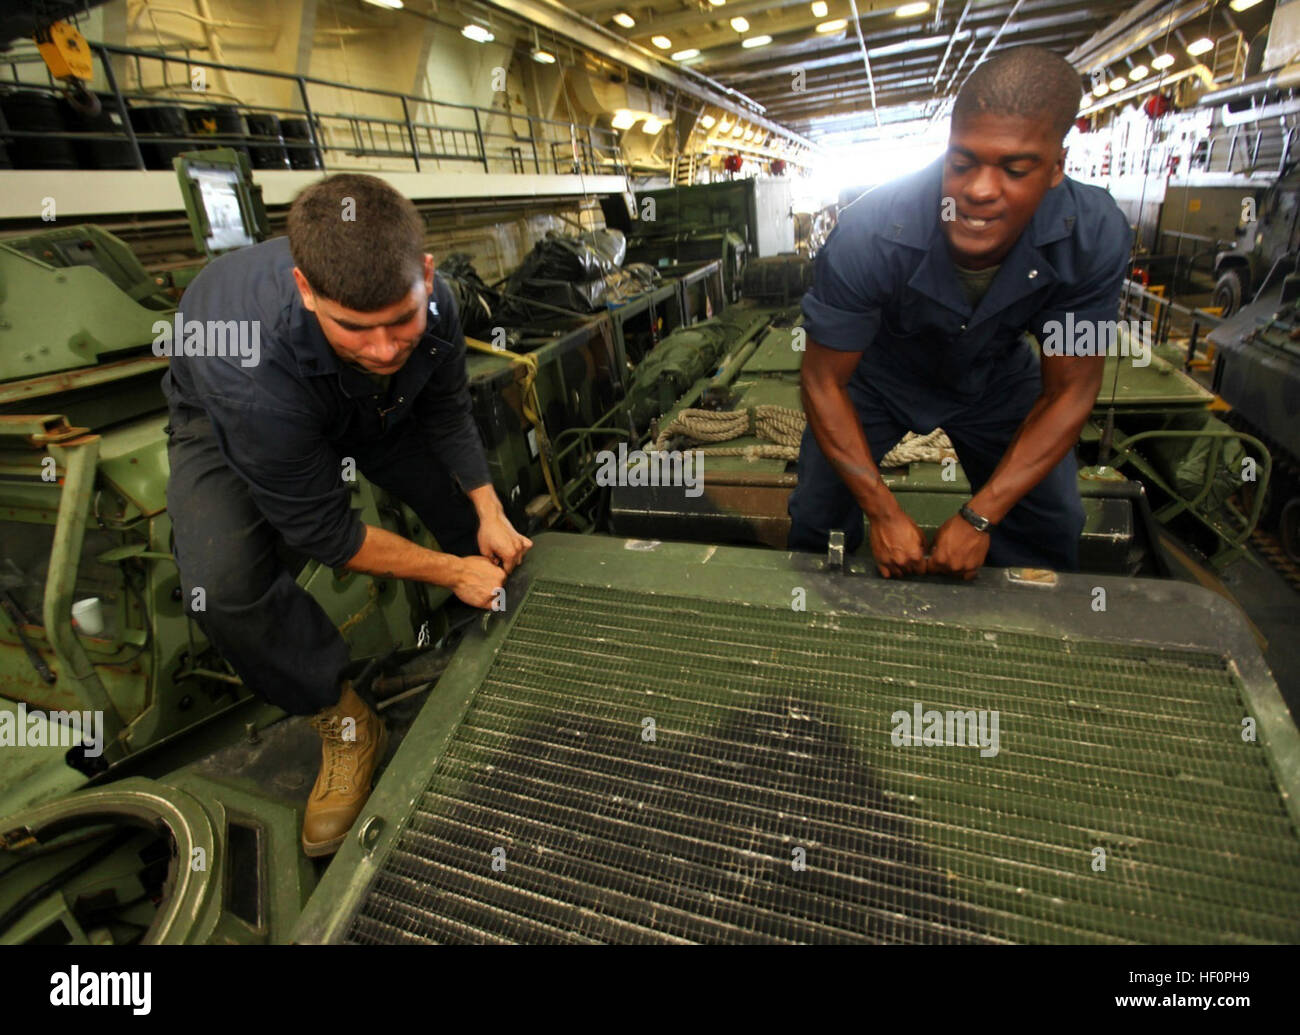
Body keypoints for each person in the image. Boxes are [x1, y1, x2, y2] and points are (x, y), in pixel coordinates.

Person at [162, 173, 531, 856]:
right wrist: (452, 568)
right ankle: (343, 717)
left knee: (471, 508)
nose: (387, 348)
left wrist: (485, 510)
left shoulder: (436, 305)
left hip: (366, 406)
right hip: (236, 409)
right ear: (307, 293)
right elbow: (326, 533)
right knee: (226, 585)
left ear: (425, 275)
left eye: (403, 321)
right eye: (357, 328)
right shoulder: (249, 376)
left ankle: (504, 629)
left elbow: (447, 410)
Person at [789, 46, 1132, 579]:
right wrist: (881, 511)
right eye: (962, 162)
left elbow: (1071, 390)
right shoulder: (873, 230)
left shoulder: (1092, 238)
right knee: (817, 509)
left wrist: (979, 517)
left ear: (1057, 167)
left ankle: (1028, 634)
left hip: (995, 374)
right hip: (880, 375)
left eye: (1015, 169)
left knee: (1053, 517)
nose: (978, 191)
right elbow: (823, 381)